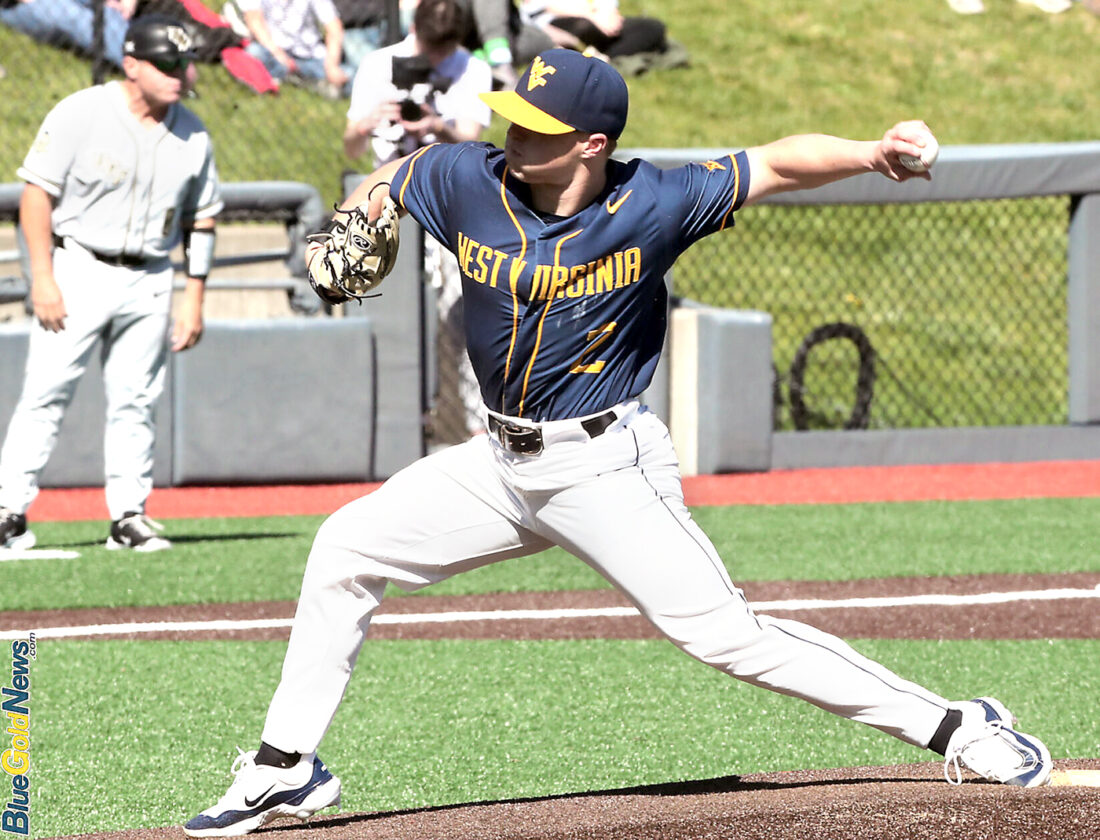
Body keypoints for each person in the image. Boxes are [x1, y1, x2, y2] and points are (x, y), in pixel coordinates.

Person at [183, 49, 1052, 837]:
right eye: (513, 114)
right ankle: (284, 766)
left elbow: (777, 162)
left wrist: (872, 151)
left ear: (591, 145)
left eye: (538, 126)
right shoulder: (465, 178)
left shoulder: (655, 202)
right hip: (498, 462)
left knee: (725, 637)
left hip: (604, 465)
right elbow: (398, 175)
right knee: (345, 548)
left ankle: (957, 725)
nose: (515, 133)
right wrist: (364, 204)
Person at [0, 14, 222, 553]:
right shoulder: (82, 112)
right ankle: (8, 510)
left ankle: (128, 516)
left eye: (183, 63)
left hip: (150, 275)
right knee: (46, 392)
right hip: (80, 265)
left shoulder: (193, 133)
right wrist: (43, 278)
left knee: (137, 400)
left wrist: (193, 296)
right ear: (131, 65)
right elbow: (36, 196)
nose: (178, 74)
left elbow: (202, 218)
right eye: (165, 63)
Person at [344, 0, 491, 438]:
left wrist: (435, 125)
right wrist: (370, 121)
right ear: (415, 31)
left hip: (449, 202)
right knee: (381, 312)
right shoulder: (378, 65)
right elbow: (351, 147)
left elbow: (470, 142)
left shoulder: (472, 69)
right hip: (388, 202)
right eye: (429, 50)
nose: (435, 60)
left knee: (461, 314)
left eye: (442, 52)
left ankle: (475, 427)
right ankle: (387, 424)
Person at [235, 0, 353, 97]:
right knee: (254, 52)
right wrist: (279, 54)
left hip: (309, 55)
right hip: (273, 51)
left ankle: (297, 80)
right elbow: (254, 21)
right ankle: (305, 81)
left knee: (349, 75)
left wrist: (332, 66)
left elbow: (334, 28)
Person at [0, 0, 134, 69]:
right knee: (77, 18)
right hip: (21, 5)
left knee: (110, 12)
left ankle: (139, 51)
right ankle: (137, 61)